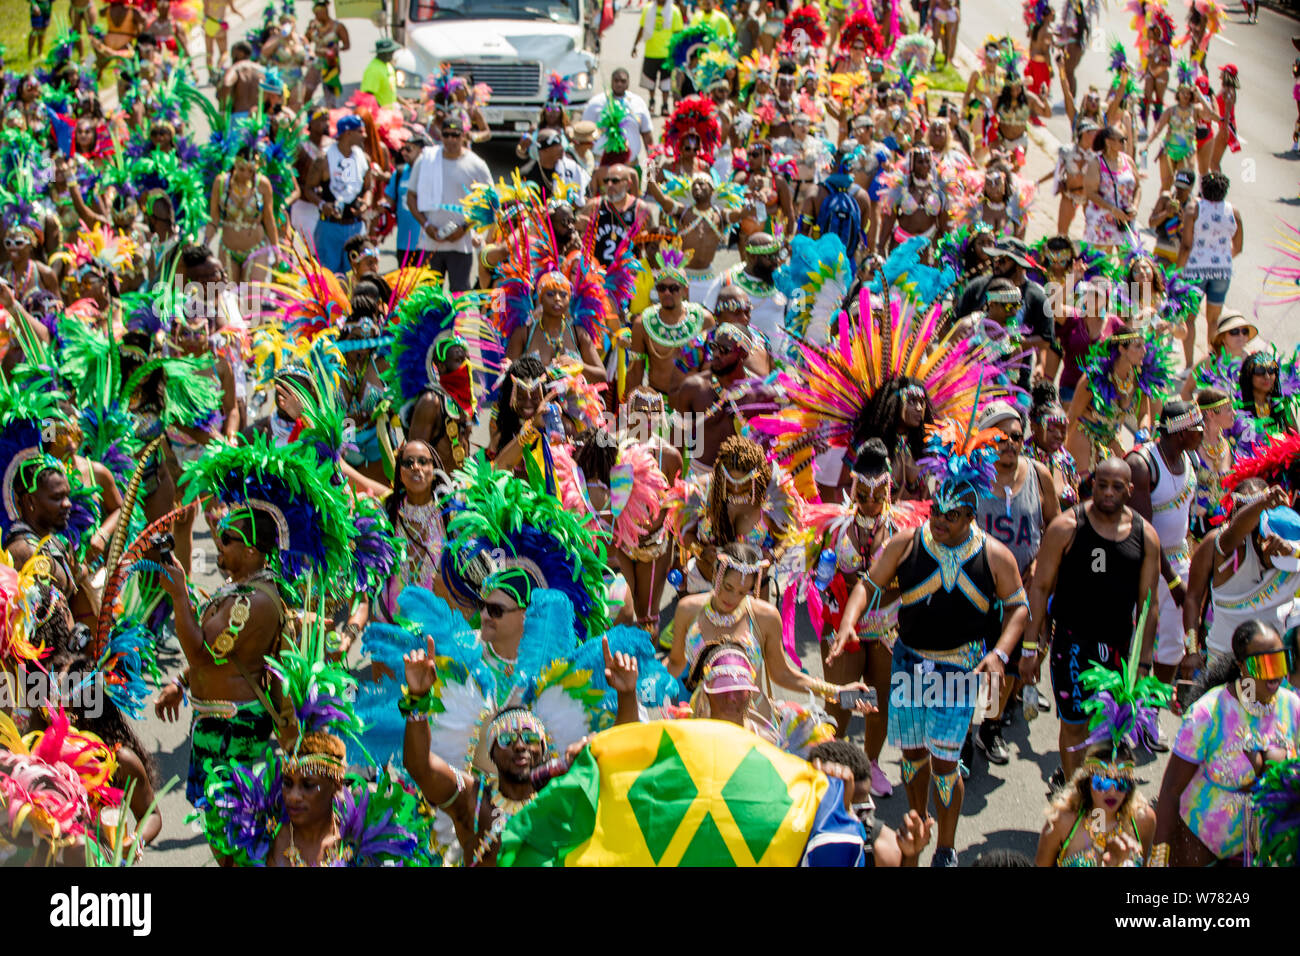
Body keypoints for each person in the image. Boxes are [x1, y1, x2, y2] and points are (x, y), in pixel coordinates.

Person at [831, 418, 1029, 867]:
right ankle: (917, 828)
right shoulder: (907, 542)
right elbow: (867, 585)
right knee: (914, 755)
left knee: (945, 765)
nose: (939, 521)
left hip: (959, 670)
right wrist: (848, 622)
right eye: (936, 511)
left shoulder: (995, 556)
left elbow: (1019, 608)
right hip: (909, 662)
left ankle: (946, 847)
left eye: (951, 516)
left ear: (970, 517)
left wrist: (1000, 654)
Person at [1020, 457, 1160, 782]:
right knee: (1074, 725)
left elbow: (1149, 605)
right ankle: (1073, 799)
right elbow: (1040, 588)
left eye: (1116, 486)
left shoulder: (1145, 536)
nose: (1108, 492)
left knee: (1108, 729)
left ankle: (1096, 793)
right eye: (1101, 484)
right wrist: (1030, 647)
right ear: (1092, 484)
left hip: (1117, 650)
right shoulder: (1067, 528)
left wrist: (1143, 664)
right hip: (1071, 645)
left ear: (1130, 489)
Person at [1151, 619, 1300, 866]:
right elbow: (1170, 790)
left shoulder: (1292, 708)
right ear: (1242, 666)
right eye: (1263, 664)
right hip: (1201, 845)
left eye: (1280, 661)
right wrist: (1158, 855)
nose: (1274, 673)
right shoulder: (1208, 713)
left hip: (1266, 847)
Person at [973, 402, 1060, 763]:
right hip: (978, 589)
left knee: (1007, 666)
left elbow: (1055, 527)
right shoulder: (971, 477)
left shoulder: (1039, 474)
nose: (1010, 443)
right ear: (986, 440)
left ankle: (990, 729)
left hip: (1024, 593)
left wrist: (1040, 562)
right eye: (1001, 437)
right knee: (976, 663)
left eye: (1017, 436)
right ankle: (963, 731)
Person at [1126, 402, 1204, 702]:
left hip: (1179, 560)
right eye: (1197, 429)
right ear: (1181, 432)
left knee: (1173, 642)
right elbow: (1145, 534)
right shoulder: (1142, 465)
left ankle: (1154, 707)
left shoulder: (1190, 457)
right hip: (1147, 564)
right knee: (1139, 638)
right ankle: (1129, 707)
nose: (1202, 434)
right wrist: (1172, 581)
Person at [408, 114, 491, 293]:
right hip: (430, 243)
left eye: (455, 135)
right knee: (427, 298)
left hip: (461, 245)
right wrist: (427, 225)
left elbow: (488, 202)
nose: (451, 139)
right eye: (446, 135)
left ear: (463, 135)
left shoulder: (476, 164)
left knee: (459, 297)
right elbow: (411, 197)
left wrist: (465, 227)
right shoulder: (426, 160)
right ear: (441, 136)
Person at [1036, 742, 1155, 866]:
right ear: (1087, 781)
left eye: (1121, 782)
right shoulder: (1062, 821)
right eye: (1102, 782)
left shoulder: (1143, 820)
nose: (1112, 792)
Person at [1177, 172, 1243, 367]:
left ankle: (1189, 366)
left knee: (1189, 317)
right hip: (1222, 270)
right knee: (1214, 321)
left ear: (1203, 190)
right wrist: (1221, 258)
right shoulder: (1234, 211)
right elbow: (1238, 247)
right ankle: (1212, 366)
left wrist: (1177, 271)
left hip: (1195, 269)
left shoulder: (1194, 208)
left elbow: (1186, 245)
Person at [305, 114, 373, 276]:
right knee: (329, 279)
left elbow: (368, 187)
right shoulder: (324, 159)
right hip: (330, 227)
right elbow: (308, 188)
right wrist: (322, 205)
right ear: (347, 133)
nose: (364, 135)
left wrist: (365, 203)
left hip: (356, 227)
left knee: (355, 277)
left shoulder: (363, 159)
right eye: (360, 131)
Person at [205, 146, 279, 284]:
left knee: (253, 301)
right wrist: (204, 243)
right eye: (242, 169)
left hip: (256, 251)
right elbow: (214, 219)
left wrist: (277, 252)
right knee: (229, 300)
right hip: (227, 250)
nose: (246, 174)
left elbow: (269, 220)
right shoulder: (221, 183)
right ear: (235, 165)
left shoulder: (262, 185)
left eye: (251, 171)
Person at [580, 69, 656, 166]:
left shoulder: (638, 103)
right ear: (611, 81)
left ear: (628, 83)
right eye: (616, 81)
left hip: (630, 165)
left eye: (623, 81)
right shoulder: (596, 103)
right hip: (600, 165)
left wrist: (652, 161)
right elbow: (584, 133)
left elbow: (647, 135)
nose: (619, 84)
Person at [1083, 126, 1140, 254]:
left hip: (1125, 219)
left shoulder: (1128, 161)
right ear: (1108, 142)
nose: (1125, 142)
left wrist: (1135, 206)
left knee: (1131, 260)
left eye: (1125, 139)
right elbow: (1090, 193)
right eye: (1121, 140)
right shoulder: (1096, 163)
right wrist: (1113, 209)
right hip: (1103, 220)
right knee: (1101, 262)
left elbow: (1138, 187)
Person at [1027, 382, 1081, 509]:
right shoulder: (1024, 459)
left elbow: (1078, 498)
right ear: (1033, 426)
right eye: (1051, 428)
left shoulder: (1066, 461)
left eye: (1063, 430)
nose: (1058, 435)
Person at [632, 0, 684, 116]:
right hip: (651, 52)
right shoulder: (648, 9)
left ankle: (665, 105)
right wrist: (635, 45)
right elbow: (642, 27)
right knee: (650, 81)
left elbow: (679, 34)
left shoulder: (674, 11)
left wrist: (679, 53)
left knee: (666, 83)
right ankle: (651, 102)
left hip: (667, 55)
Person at [304, 0, 349, 108]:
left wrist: (335, 49)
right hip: (316, 62)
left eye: (318, 13)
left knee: (330, 94)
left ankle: (330, 116)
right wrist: (310, 30)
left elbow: (347, 45)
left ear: (325, 12)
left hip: (330, 64)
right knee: (307, 91)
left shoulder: (338, 27)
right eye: (315, 14)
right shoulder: (314, 26)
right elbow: (307, 40)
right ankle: (311, 113)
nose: (316, 16)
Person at [258, 13, 308, 109]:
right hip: (281, 78)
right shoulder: (275, 38)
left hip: (298, 78)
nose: (287, 24)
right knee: (280, 106)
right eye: (284, 22)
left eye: (289, 22)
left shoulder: (300, 39)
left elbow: (309, 52)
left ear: (294, 23)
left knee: (297, 105)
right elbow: (264, 53)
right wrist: (279, 38)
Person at [216, 41, 265, 124]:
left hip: (239, 118)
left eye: (233, 53)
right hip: (259, 118)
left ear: (241, 53)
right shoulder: (262, 70)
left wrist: (223, 109)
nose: (232, 57)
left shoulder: (236, 68)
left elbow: (226, 84)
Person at [361, 37, 401, 108]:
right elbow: (368, 96)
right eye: (391, 52)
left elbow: (389, 90)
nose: (393, 54)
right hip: (380, 115)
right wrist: (380, 111)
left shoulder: (388, 65)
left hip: (390, 114)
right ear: (384, 53)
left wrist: (405, 103)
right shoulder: (373, 69)